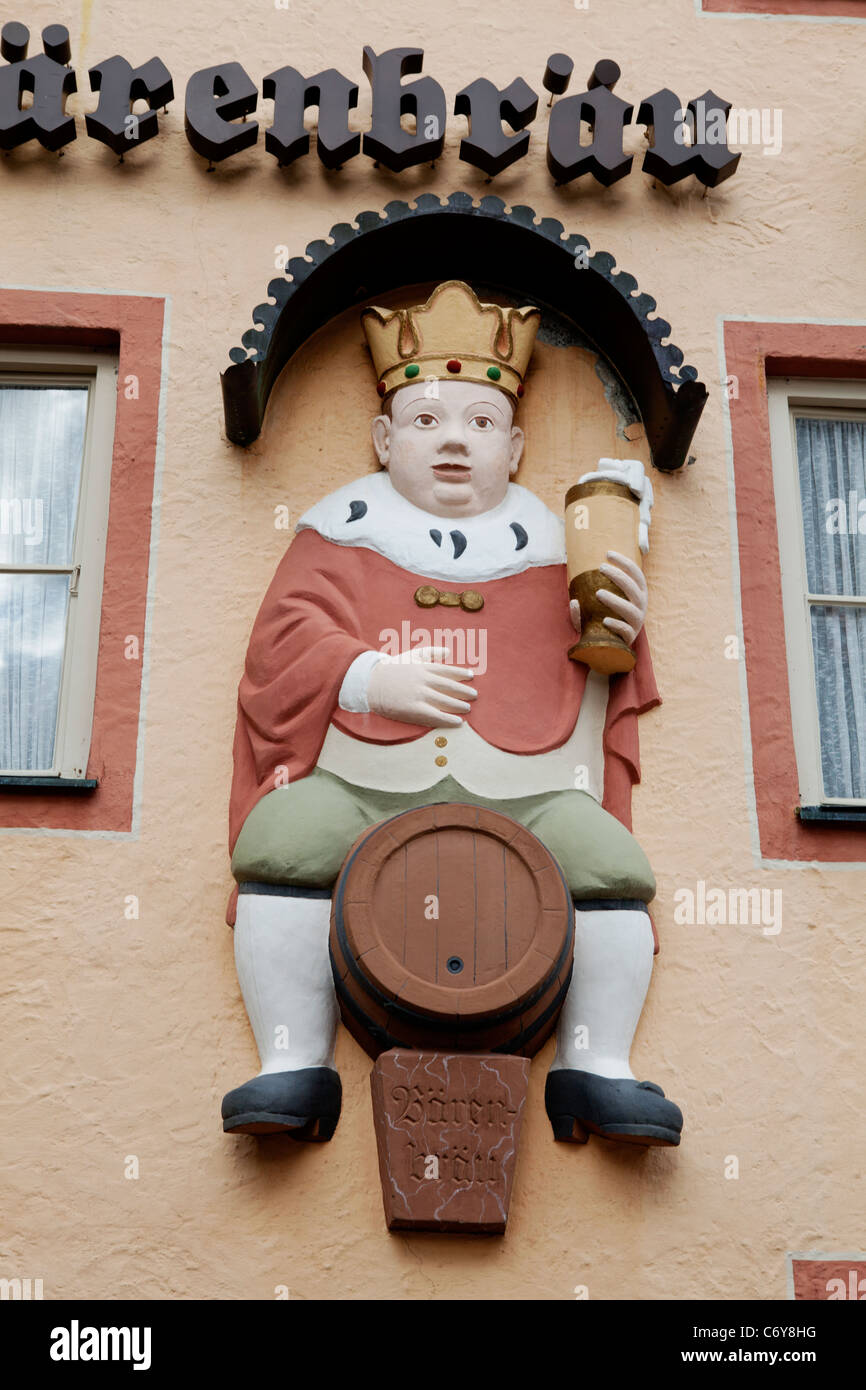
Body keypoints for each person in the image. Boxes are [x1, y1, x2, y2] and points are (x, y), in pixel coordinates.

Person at [221, 280, 683, 1149]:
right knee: (281, 845)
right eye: (428, 422)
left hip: (530, 785)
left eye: (478, 424)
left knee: (613, 870)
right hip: (365, 776)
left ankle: (598, 1062)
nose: (454, 443)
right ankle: (291, 1058)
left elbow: (602, 660)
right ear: (383, 439)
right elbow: (282, 642)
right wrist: (361, 675)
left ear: (513, 445)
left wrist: (617, 613)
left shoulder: (558, 544)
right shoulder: (340, 531)